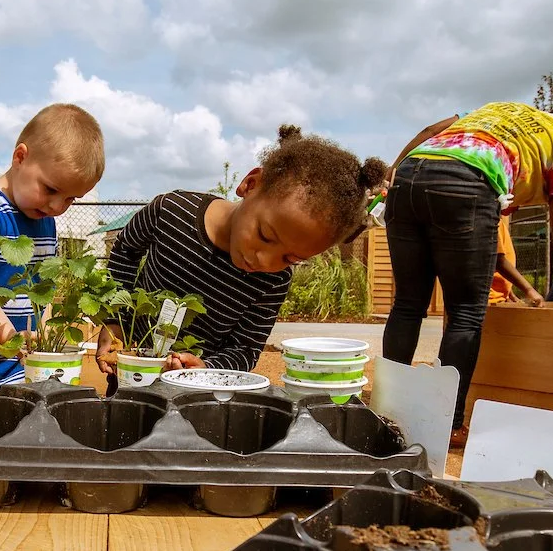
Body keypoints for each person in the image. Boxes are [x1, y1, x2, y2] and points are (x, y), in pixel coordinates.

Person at [381, 97, 553, 447]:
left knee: (407, 305)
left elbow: (432, 130)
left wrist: (395, 171)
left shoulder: (505, 111)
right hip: (466, 183)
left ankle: (385, 415)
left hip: (410, 177)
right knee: (465, 312)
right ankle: (449, 424)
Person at [95, 126, 386, 375]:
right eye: (265, 235)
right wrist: (113, 320)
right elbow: (124, 254)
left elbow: (245, 350)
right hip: (131, 372)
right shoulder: (170, 211)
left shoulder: (274, 281)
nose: (264, 260)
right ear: (251, 184)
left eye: (291, 258)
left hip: (197, 398)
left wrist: (206, 368)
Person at [0, 103, 105, 393]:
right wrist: (10, 336)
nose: (56, 206)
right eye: (51, 189)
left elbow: (44, 289)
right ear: (20, 157)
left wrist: (47, 326)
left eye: (70, 199)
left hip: (19, 365)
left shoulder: (43, 219)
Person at [489, 216, 544, 306]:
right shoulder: (492, 221)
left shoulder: (499, 223)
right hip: (490, 301)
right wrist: (529, 290)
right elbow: (498, 261)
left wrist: (509, 292)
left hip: (499, 299)